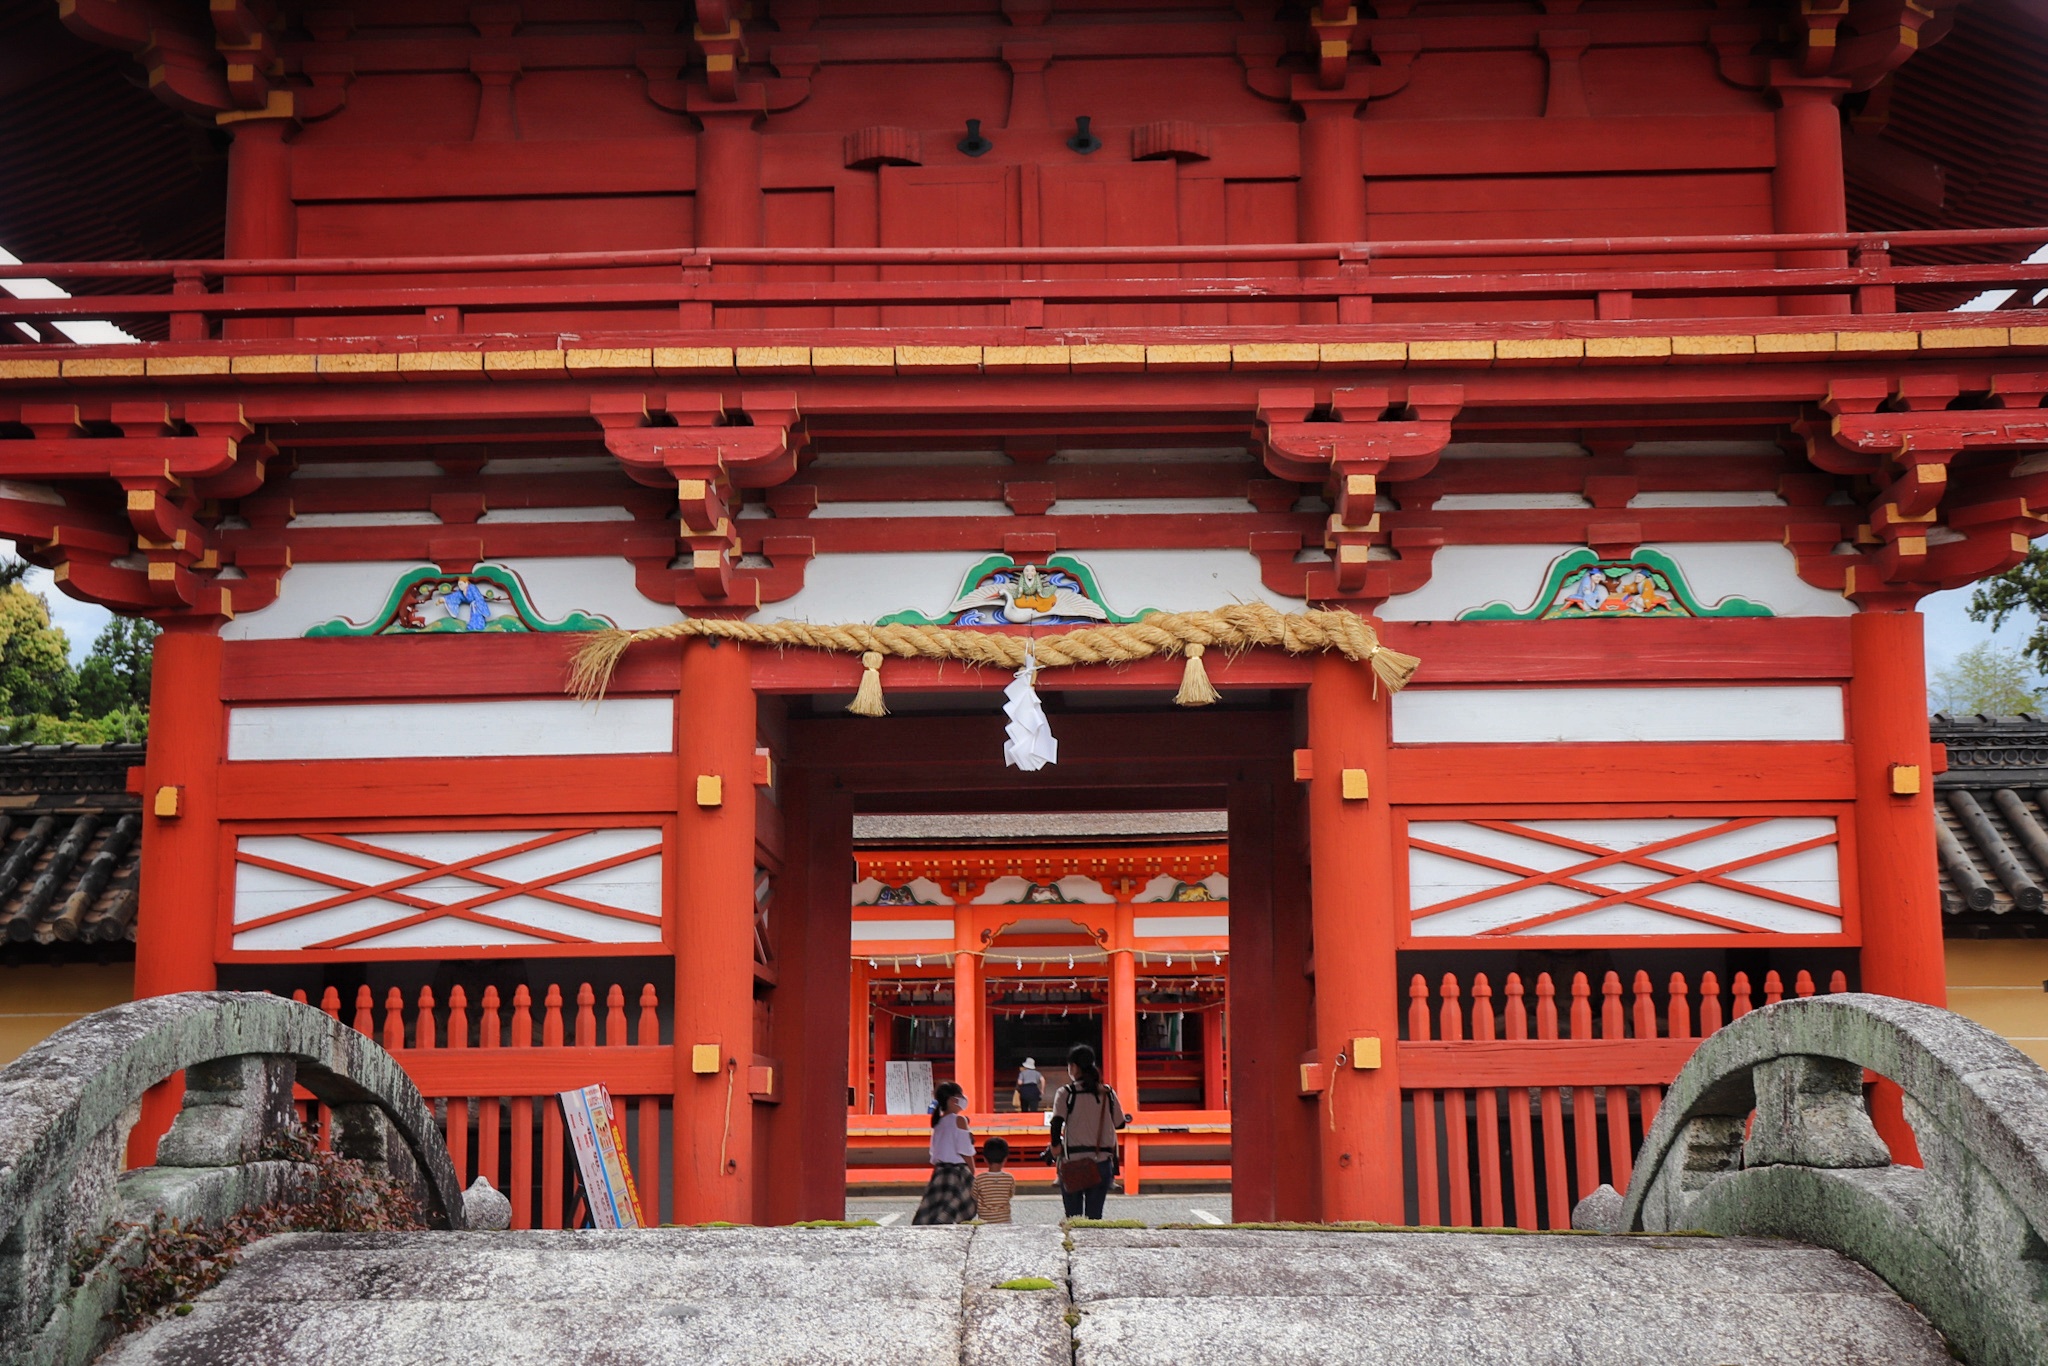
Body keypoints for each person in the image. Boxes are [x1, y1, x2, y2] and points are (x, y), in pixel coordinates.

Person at [1048, 1043, 1127, 1221]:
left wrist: (1055, 1146)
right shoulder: (1107, 1093)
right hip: (1102, 1162)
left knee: (1073, 1217)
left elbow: (1056, 1123)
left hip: (1073, 1162)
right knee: (1094, 1218)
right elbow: (1120, 1123)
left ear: (1074, 1067)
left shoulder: (1066, 1093)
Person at [912, 1081, 977, 1224]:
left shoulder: (938, 1123)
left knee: (936, 1211)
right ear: (953, 1099)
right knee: (952, 1211)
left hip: (940, 1173)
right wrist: (973, 1172)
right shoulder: (960, 1120)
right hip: (957, 1173)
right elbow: (965, 1150)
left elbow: (934, 1153)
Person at [971, 1137, 1016, 1224]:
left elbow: (974, 1196)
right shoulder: (1009, 1178)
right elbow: (1010, 1195)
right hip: (1005, 1221)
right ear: (1005, 1159)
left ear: (985, 1159)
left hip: (984, 1221)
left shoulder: (980, 1179)